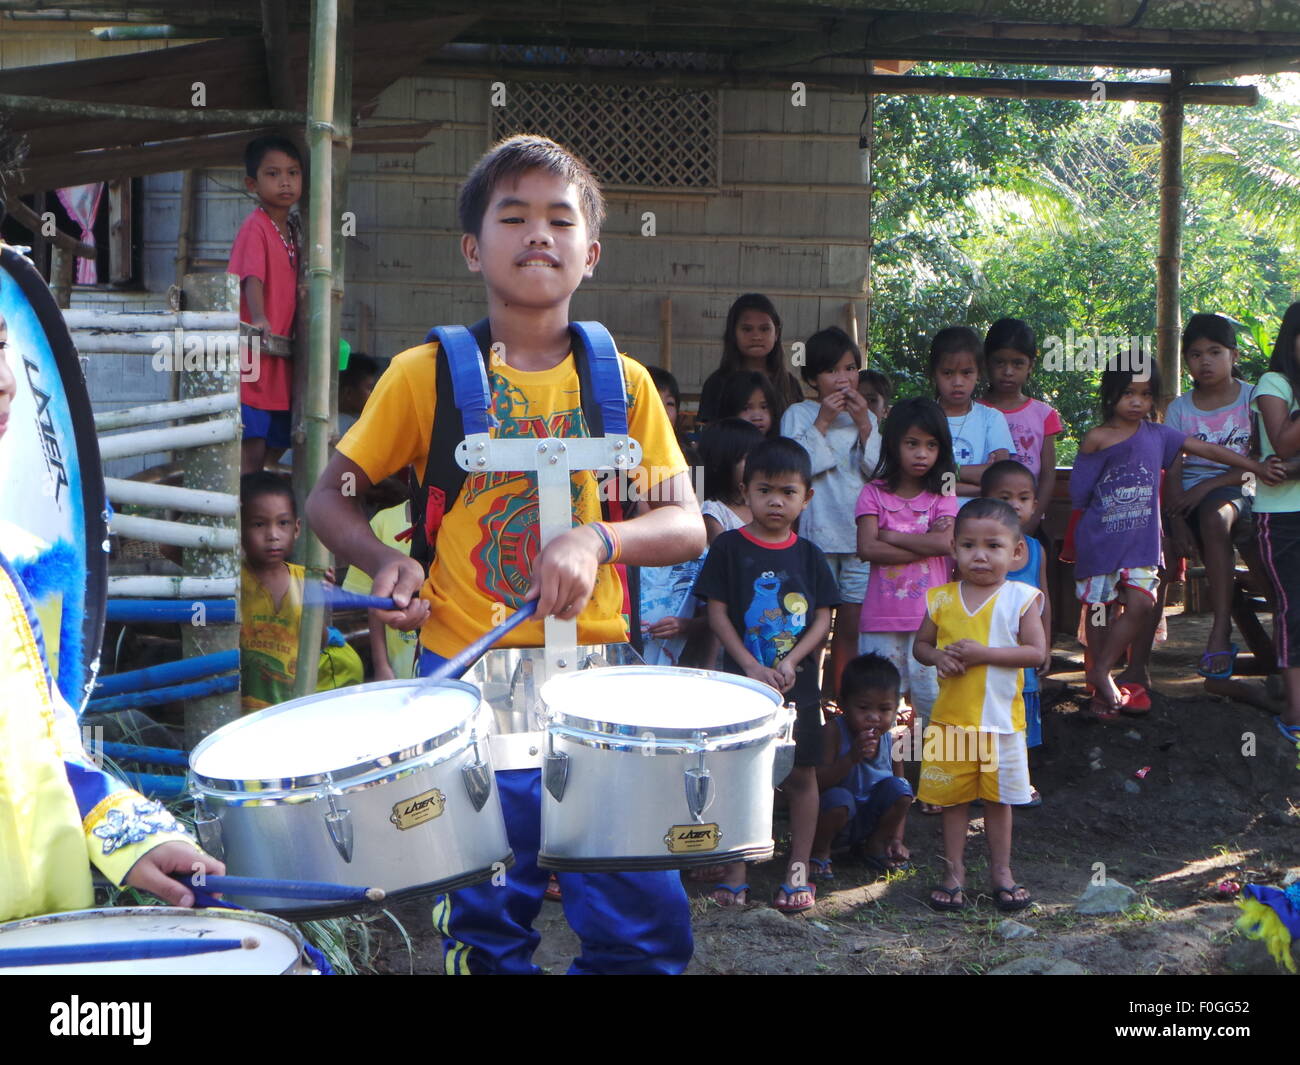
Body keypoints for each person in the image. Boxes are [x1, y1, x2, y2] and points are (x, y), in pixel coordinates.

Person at [306, 134, 704, 975]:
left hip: (598, 687)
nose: (538, 234)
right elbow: (330, 497)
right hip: (467, 688)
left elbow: (685, 524)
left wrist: (599, 537)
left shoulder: (622, 382)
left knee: (643, 919)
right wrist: (383, 563)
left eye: (561, 220)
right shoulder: (425, 376)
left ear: (590, 253)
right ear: (472, 246)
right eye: (513, 215)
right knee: (486, 923)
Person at [0, 319, 224, 922]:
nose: (4, 383)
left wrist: (135, 838)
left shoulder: (16, 562)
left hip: (44, 935)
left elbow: (52, 748)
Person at [1072, 361, 1281, 719]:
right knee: (1099, 613)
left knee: (1140, 604)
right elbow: (1079, 494)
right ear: (1110, 395)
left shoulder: (1159, 435)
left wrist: (1257, 467)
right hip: (1101, 542)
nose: (1137, 402)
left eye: (1145, 394)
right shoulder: (1096, 438)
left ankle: (1100, 670)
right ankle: (1101, 691)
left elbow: (1209, 451)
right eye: (1128, 393)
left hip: (1142, 545)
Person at [693, 437, 838, 913]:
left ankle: (797, 870)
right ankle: (736, 872)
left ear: (806, 498)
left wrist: (792, 661)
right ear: (746, 491)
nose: (776, 501)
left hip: (800, 687)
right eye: (765, 490)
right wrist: (751, 667)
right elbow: (716, 614)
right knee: (740, 773)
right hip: (741, 688)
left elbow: (822, 618)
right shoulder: (729, 548)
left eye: (788, 492)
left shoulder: (811, 556)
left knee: (801, 775)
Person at [912, 498, 1045, 913]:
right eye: (968, 545)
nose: (980, 555)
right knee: (952, 802)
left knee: (998, 802)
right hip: (951, 722)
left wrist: (983, 653)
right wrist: (938, 657)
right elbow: (920, 645)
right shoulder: (941, 598)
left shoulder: (1022, 598)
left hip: (1003, 724)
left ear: (1016, 551)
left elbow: (1035, 653)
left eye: (993, 545)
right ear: (953, 548)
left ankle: (1001, 873)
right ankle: (954, 873)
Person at [855, 397, 957, 774]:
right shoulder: (873, 493)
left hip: (932, 622)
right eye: (912, 443)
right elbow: (866, 548)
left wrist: (889, 535)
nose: (921, 454)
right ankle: (880, 779)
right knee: (879, 705)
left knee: (934, 702)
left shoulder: (943, 494)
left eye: (931, 445)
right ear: (893, 444)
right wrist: (919, 541)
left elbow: (945, 544)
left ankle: (937, 779)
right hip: (881, 619)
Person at [780, 326, 880, 699]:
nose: (844, 379)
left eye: (851, 368)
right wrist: (821, 422)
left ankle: (840, 699)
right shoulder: (798, 414)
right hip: (814, 536)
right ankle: (806, 698)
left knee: (851, 626)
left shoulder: (865, 417)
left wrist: (867, 425)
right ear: (811, 378)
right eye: (832, 370)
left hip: (859, 539)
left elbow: (881, 472)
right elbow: (792, 471)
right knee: (809, 623)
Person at [1164, 314, 1258, 681]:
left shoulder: (1253, 398)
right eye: (1195, 354)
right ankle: (1137, 662)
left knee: (1216, 517)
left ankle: (1222, 628)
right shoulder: (1180, 409)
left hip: (1246, 486)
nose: (1204, 361)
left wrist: (1206, 488)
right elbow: (1171, 467)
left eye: (1214, 352)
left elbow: (1260, 464)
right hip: (1189, 498)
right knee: (1198, 524)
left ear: (1234, 355)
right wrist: (1173, 519)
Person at [239, 471, 362, 712]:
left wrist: (321, 601)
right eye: (258, 524)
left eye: (282, 523)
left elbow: (321, 642)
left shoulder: (306, 579)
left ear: (296, 529)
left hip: (293, 707)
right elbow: (169, 548)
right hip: (243, 710)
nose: (273, 535)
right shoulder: (232, 579)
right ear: (239, 528)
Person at [229, 135, 303, 476]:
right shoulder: (255, 226)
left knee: (278, 440)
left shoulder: (293, 230)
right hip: (254, 353)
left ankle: (258, 507)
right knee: (251, 446)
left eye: (293, 173)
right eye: (273, 174)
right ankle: (242, 518)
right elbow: (251, 276)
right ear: (252, 183)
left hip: (280, 354)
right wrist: (259, 317)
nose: (285, 181)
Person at [981, 460, 1051, 805]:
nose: (1014, 504)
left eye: (1023, 498)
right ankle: (982, 779)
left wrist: (1045, 645)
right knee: (988, 712)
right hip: (987, 653)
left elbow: (1044, 601)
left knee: (1021, 715)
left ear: (1034, 505)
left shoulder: (1036, 550)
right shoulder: (977, 550)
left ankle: (1021, 780)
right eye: (1004, 496)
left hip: (1023, 654)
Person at [810, 653, 912, 882]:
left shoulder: (893, 740)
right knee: (839, 798)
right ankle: (820, 852)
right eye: (864, 708)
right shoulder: (834, 732)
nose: (874, 717)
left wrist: (897, 838)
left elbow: (903, 795)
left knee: (901, 789)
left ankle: (875, 846)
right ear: (843, 704)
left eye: (884, 709)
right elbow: (817, 782)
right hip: (835, 817)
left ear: (896, 708)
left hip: (870, 818)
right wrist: (851, 758)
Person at [1249, 301, 1300, 748]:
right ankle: (1295, 712)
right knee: (1293, 608)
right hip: (1283, 516)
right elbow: (1282, 447)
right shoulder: (1274, 383)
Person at [980, 318, 1062, 533]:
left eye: (1017, 363)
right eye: (1000, 362)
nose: (1008, 371)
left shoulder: (1044, 415)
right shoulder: (972, 411)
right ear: (986, 363)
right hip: (980, 519)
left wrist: (1033, 520)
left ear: (1030, 367)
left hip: (1028, 520)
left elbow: (1047, 475)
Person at [929, 326, 1012, 504]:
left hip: (981, 522)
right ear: (934, 373)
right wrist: (981, 488)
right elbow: (925, 481)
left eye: (966, 373)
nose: (957, 382)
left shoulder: (992, 418)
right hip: (930, 522)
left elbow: (1000, 478)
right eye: (947, 373)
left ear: (979, 373)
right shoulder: (922, 418)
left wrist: (948, 470)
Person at [341, 500, 420, 680]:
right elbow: (373, 605)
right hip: (398, 669)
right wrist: (382, 665)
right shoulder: (384, 522)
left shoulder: (457, 521)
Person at [696, 293, 804, 424]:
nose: (756, 336)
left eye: (764, 329)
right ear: (733, 333)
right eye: (747, 329)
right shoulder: (717, 383)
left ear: (776, 333)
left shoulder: (789, 384)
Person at [698, 417, 765, 545]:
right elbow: (724, 555)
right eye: (748, 459)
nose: (758, 465)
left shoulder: (762, 504)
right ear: (720, 462)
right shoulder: (713, 511)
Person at [715, 369, 783, 437]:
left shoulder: (777, 446)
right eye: (746, 408)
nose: (757, 417)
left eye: (764, 407)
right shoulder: (720, 446)